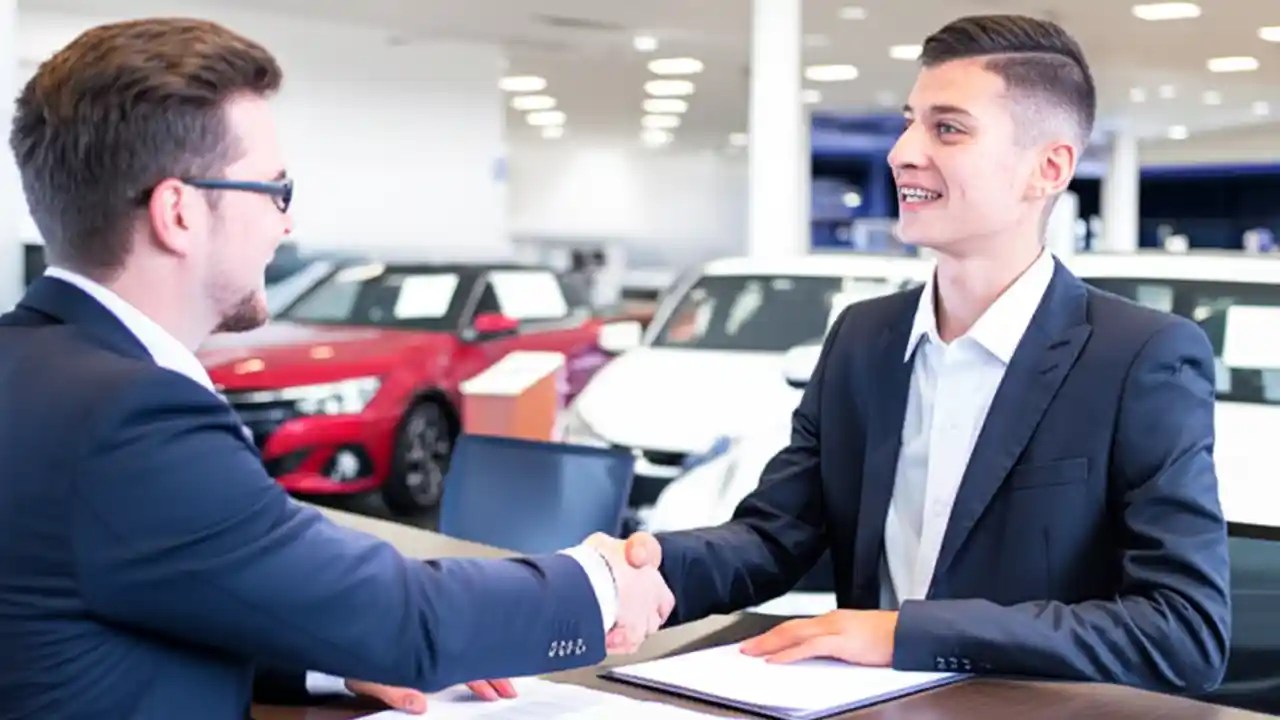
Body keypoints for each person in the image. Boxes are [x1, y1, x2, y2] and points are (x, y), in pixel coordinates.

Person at [0, 17, 673, 719]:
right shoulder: (128, 418)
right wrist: (598, 583)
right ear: (179, 213)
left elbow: (148, 600)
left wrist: (331, 660)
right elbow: (402, 616)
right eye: (273, 191)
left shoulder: (29, 369)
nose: (285, 225)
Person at [596, 14, 1232, 693]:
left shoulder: (1139, 357)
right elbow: (775, 536)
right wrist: (647, 567)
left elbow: (1184, 630)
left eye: (947, 128)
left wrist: (905, 634)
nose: (902, 152)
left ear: (1047, 169)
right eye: (908, 122)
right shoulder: (864, 338)